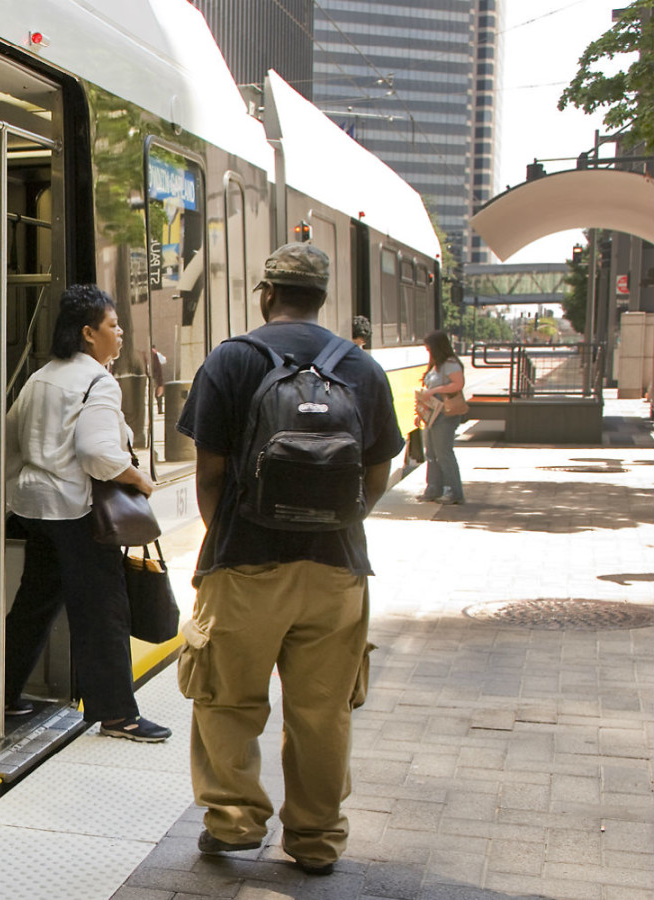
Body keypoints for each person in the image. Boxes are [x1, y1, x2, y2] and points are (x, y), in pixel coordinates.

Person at [175, 243, 403, 873]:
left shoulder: (231, 360)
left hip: (244, 563)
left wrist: (226, 539)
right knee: (322, 711)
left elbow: (210, 472)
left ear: (267, 293)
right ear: (322, 300)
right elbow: (379, 470)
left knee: (226, 698)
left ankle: (235, 820)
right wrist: (341, 521)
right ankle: (315, 840)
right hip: (338, 570)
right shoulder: (361, 368)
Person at [0, 284, 171, 742]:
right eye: (112, 325)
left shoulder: (41, 376)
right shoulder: (98, 382)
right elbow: (97, 454)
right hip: (77, 510)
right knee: (103, 610)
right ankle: (119, 716)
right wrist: (137, 479)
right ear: (89, 333)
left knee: (34, 602)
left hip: (33, 509)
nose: (120, 332)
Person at [415, 330, 466, 505]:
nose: (427, 350)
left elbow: (458, 384)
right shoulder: (436, 364)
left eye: (429, 347)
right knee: (431, 453)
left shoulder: (450, 364)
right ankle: (433, 488)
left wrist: (434, 391)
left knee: (443, 452)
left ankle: (453, 491)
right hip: (432, 413)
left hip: (445, 413)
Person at [151, 344, 167, 413]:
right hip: (154, 378)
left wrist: (160, 383)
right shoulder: (155, 354)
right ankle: (159, 409)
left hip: (154, 378)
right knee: (157, 395)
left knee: (157, 395)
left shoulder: (154, 354)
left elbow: (158, 368)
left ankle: (160, 409)